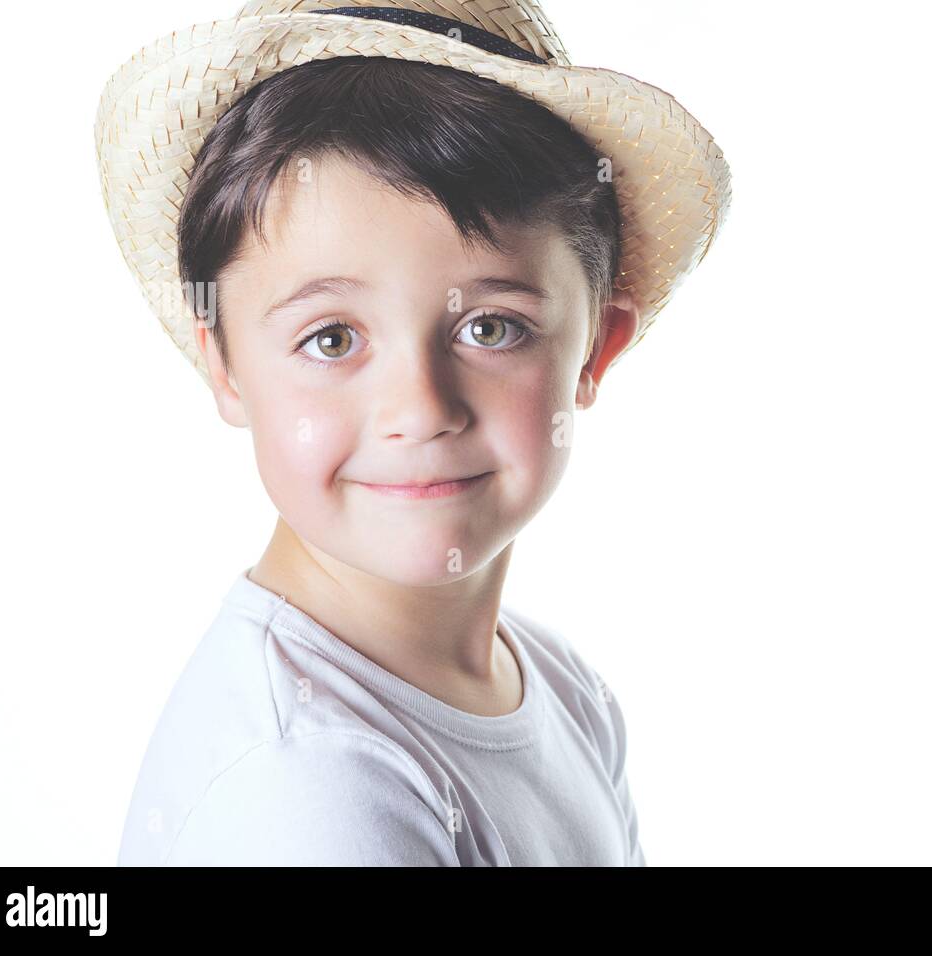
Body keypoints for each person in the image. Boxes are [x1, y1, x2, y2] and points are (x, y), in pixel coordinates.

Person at [96, 0, 732, 866]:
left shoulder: (562, 689)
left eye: (491, 327)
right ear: (228, 365)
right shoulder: (309, 790)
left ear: (597, 348)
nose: (421, 408)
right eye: (332, 339)